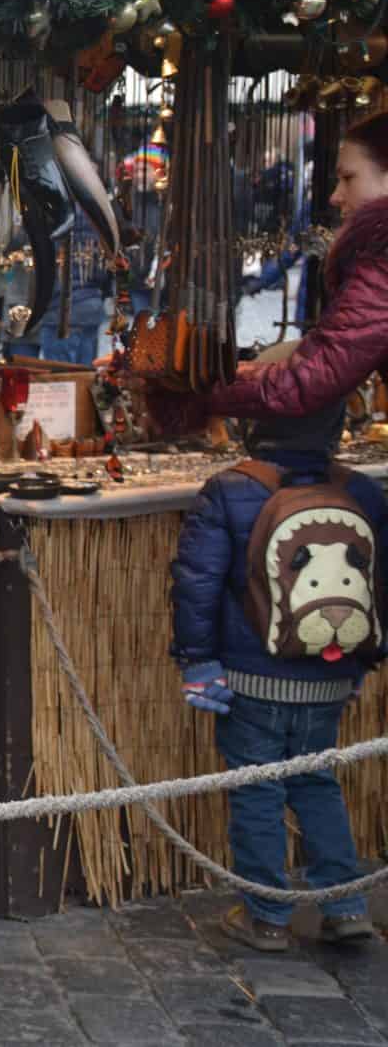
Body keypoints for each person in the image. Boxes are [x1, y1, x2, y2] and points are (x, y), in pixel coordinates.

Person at [169, 355, 383, 950]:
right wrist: (365, 659)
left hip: (251, 679)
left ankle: (267, 916)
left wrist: (197, 662)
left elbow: (197, 582)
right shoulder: (359, 490)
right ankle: (346, 906)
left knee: (257, 787)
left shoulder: (232, 489)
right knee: (317, 782)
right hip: (329, 676)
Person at [170, 110, 388, 426]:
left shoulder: (381, 256)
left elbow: (307, 379)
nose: (335, 196)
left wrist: (185, 390)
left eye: (348, 178)